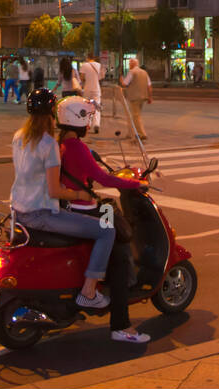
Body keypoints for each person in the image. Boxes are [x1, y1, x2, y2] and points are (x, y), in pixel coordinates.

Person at [55, 96, 150, 343]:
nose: (88, 125)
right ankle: (121, 325)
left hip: (70, 207)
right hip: (81, 208)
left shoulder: (62, 143)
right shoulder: (76, 147)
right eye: (86, 119)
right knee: (120, 252)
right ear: (77, 121)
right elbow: (103, 179)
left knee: (111, 223)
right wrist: (136, 183)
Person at [10, 89, 114, 309]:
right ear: (52, 115)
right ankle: (88, 292)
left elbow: (31, 175)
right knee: (106, 231)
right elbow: (54, 191)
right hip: (40, 214)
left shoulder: (19, 137)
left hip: (18, 210)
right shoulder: (48, 145)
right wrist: (80, 194)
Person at [121, 58, 153, 141]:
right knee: (136, 115)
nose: (129, 65)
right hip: (143, 97)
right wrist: (150, 97)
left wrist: (121, 80)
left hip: (134, 97)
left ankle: (142, 133)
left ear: (132, 64)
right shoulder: (144, 72)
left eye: (129, 64)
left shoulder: (132, 72)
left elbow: (125, 84)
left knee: (136, 116)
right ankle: (130, 132)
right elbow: (149, 86)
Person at [79, 51, 104, 134]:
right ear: (94, 57)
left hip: (87, 89)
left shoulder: (84, 65)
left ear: (87, 57)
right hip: (96, 89)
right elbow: (101, 77)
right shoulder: (99, 65)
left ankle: (87, 124)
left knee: (87, 107)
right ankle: (96, 124)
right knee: (97, 107)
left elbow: (82, 78)